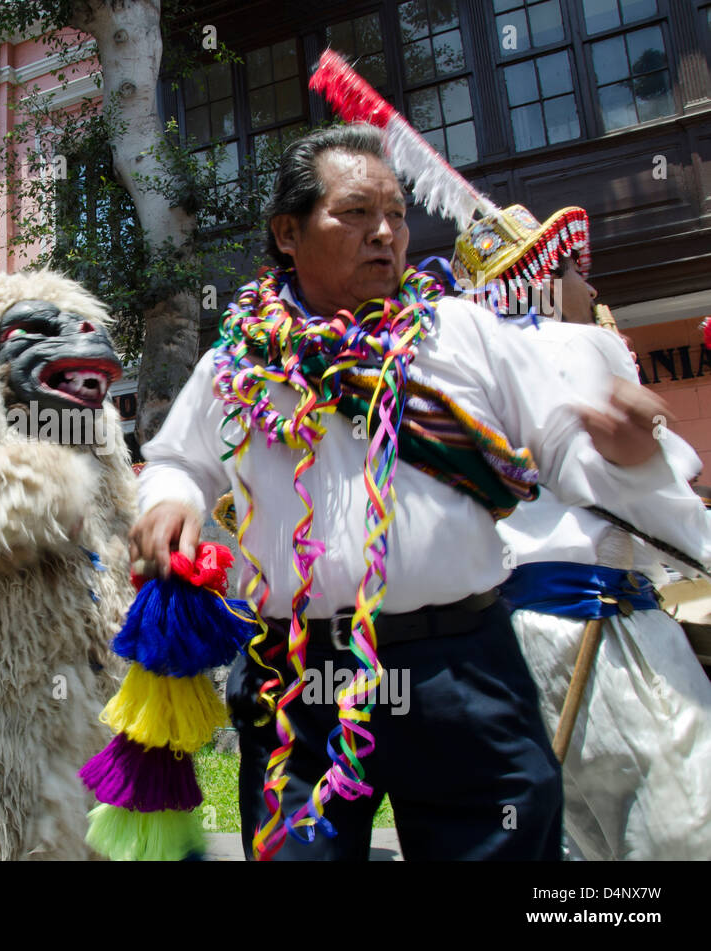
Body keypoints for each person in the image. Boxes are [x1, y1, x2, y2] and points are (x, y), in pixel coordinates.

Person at [130, 123, 711, 861]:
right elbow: (179, 462)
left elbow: (562, 445)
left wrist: (624, 454)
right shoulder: (239, 362)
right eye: (356, 214)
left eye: (398, 215)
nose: (386, 234)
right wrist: (171, 502)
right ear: (287, 232)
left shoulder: (461, 333)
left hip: (463, 669)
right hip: (302, 680)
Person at [453, 202, 711, 860]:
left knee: (572, 840)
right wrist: (652, 461)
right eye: (572, 267)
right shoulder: (580, 346)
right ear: (538, 277)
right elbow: (665, 501)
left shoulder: (458, 381)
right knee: (684, 826)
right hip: (609, 633)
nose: (590, 287)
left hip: (508, 647)